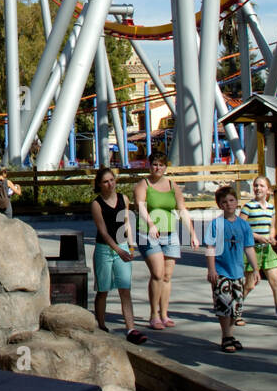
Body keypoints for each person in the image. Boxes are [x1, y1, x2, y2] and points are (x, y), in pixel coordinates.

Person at [133, 149, 200, 330]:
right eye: (154, 164)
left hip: (169, 233)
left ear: (165, 167)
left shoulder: (172, 185)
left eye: (161, 165)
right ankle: (153, 314)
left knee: (167, 276)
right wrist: (151, 224)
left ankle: (164, 313)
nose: (157, 168)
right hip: (149, 233)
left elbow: (182, 209)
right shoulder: (143, 184)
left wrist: (192, 233)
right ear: (149, 165)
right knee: (157, 273)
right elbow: (141, 206)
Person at [90, 167, 148, 345]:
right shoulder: (96, 204)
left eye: (112, 180)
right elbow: (103, 231)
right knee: (103, 290)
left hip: (122, 246)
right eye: (105, 182)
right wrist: (118, 250)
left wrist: (130, 246)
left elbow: (127, 224)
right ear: (100, 185)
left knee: (125, 288)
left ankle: (130, 328)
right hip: (105, 248)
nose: (110, 184)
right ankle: (101, 325)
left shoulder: (124, 199)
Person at [239, 175, 277, 330]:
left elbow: (271, 226)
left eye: (261, 186)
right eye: (255, 185)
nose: (258, 188)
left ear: (268, 190)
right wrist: (258, 237)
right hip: (252, 250)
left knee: (276, 283)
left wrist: (271, 236)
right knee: (250, 284)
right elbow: (240, 228)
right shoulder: (248, 207)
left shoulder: (271, 208)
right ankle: (236, 310)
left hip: (267, 250)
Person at [205, 185, 259, 353]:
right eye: (224, 202)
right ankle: (226, 336)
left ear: (237, 202)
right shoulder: (216, 224)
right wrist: (211, 269)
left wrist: (256, 269)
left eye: (231, 200)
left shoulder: (244, 225)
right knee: (223, 303)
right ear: (219, 205)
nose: (228, 204)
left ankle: (230, 334)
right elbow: (210, 247)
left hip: (237, 271)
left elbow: (249, 247)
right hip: (221, 270)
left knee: (236, 305)